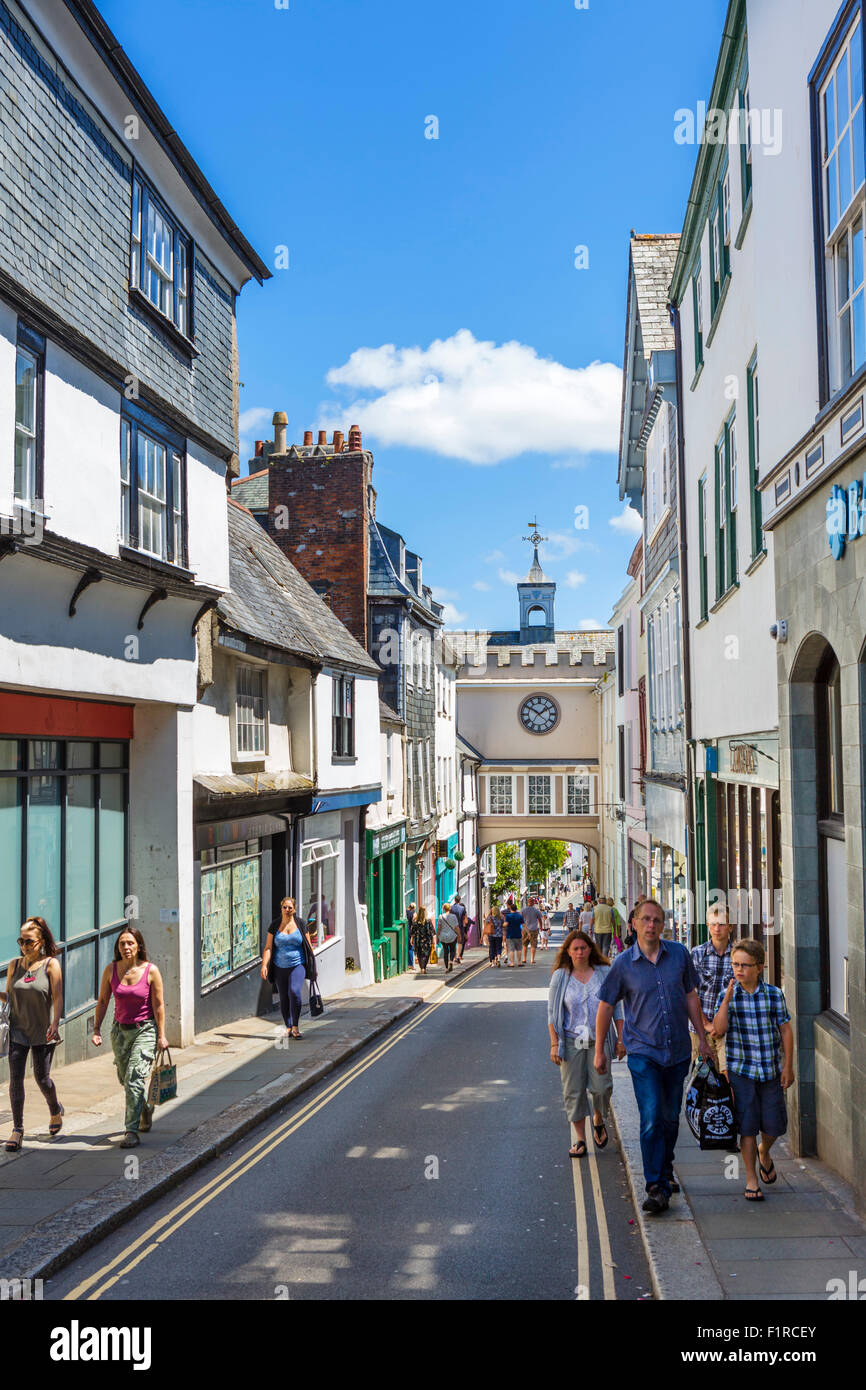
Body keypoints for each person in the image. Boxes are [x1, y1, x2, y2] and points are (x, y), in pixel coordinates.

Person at [595, 898, 712, 1214]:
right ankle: (656, 1186)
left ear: (664, 925)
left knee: (670, 1119)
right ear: (633, 923)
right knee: (650, 1119)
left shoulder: (679, 955)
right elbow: (606, 1005)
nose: (651, 925)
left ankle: (666, 1164)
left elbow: (690, 995)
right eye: (645, 919)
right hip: (643, 1052)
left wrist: (702, 1037)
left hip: (677, 1052)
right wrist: (600, 1051)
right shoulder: (622, 964)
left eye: (657, 920)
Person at [712, 939, 794, 1202]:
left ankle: (764, 1151)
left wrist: (788, 1066)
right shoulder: (729, 995)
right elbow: (719, 1029)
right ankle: (751, 1179)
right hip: (741, 1072)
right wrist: (725, 998)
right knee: (747, 1127)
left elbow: (785, 1030)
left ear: (759, 967)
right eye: (735, 964)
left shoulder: (773, 994)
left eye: (745, 965)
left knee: (775, 1125)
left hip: (770, 1070)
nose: (739, 970)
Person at [549, 931, 625, 1157]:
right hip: (571, 1040)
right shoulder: (560, 977)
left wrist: (621, 1039)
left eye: (583, 948)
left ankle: (598, 1117)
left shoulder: (604, 972)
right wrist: (554, 1044)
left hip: (598, 1040)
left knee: (602, 1088)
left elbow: (617, 1007)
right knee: (573, 1091)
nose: (580, 952)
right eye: (575, 949)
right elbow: (552, 1014)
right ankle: (580, 1139)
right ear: (568, 952)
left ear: (591, 949)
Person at [92, 926, 168, 1148]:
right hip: (120, 1032)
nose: (126, 947)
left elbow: (159, 1005)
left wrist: (162, 1036)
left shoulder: (151, 971)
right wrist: (96, 1029)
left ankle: (131, 1131)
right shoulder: (111, 970)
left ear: (138, 946)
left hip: (145, 1030)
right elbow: (103, 1001)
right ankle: (145, 1109)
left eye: (130, 943)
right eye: (122, 943)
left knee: (135, 1078)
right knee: (126, 1080)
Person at [3, 917, 64, 1152]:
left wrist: (56, 1022)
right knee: (16, 1079)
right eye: (21, 941)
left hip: (43, 1032)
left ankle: (55, 1109)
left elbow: (57, 997)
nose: (24, 946)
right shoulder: (14, 965)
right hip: (18, 1030)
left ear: (40, 942)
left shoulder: (51, 965)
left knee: (42, 1078)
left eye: (28, 941)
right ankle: (17, 1130)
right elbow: (9, 996)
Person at [262, 897, 316, 1040]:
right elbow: (268, 947)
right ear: (281, 909)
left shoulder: (301, 924)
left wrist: (312, 966)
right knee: (283, 997)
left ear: (294, 909)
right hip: (279, 966)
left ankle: (296, 1026)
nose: (287, 910)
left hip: (298, 964)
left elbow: (309, 947)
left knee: (294, 991)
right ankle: (288, 1026)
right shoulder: (274, 925)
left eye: (290, 908)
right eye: (284, 907)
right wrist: (264, 965)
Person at [690, 902, 734, 1070]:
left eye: (722, 924)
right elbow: (691, 993)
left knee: (727, 1075)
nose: (717, 928)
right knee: (703, 1078)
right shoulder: (697, 954)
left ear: (730, 927)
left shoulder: (737, 955)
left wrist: (720, 1026)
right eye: (713, 924)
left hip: (729, 1029)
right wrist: (707, 1024)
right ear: (708, 926)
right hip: (700, 1028)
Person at [410, 905, 434, 975]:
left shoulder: (415, 921)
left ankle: (422, 968)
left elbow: (412, 932)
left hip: (418, 941)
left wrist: (411, 939)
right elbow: (432, 932)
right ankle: (424, 967)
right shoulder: (428, 921)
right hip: (427, 941)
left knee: (419, 955)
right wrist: (434, 942)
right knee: (426, 955)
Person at [436, 903, 459, 973]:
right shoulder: (454, 916)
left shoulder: (440, 917)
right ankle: (451, 961)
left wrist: (437, 937)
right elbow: (456, 927)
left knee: (446, 952)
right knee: (452, 950)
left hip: (443, 936)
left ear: (444, 909)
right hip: (452, 936)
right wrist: (459, 935)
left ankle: (446, 968)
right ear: (450, 908)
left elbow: (439, 928)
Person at [522, 896, 543, 966]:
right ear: (534, 903)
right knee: (533, 945)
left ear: (528, 902)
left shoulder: (523, 910)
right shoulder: (536, 911)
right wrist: (541, 927)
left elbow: (521, 920)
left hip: (525, 930)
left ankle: (524, 959)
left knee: (524, 944)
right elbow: (540, 920)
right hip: (534, 929)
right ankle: (532, 959)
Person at [502, 902, 524, 967]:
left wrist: (502, 925)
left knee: (511, 949)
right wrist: (527, 933)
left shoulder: (508, 916)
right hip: (518, 934)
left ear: (510, 909)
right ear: (516, 909)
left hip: (510, 935)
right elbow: (523, 925)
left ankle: (512, 963)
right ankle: (519, 962)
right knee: (519, 949)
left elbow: (506, 924)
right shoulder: (520, 916)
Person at [451, 894, 468, 961]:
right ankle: (458, 956)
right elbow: (466, 920)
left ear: (455, 900)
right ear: (460, 900)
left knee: (454, 942)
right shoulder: (462, 908)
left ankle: (454, 956)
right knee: (460, 942)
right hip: (460, 926)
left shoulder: (451, 908)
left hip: (453, 927)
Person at [406, 902, 416, 969]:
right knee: (410, 948)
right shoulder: (413, 914)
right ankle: (410, 964)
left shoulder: (405, 912)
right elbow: (413, 926)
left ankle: (408, 963)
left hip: (406, 931)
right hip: (410, 932)